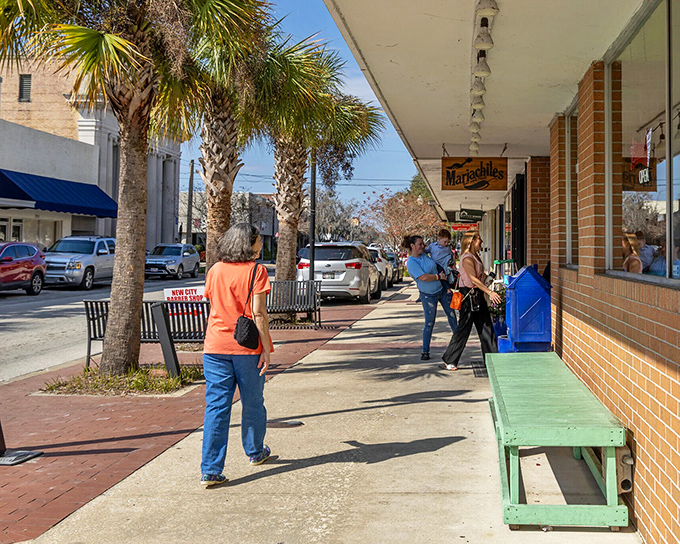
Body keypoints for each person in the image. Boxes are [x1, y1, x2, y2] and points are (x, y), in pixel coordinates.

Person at [200, 223, 273, 487]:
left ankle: (210, 469)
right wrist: (266, 347)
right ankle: (255, 452)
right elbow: (259, 314)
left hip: (215, 347)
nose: (261, 244)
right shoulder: (257, 271)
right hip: (246, 348)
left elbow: (214, 303)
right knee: (253, 402)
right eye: (258, 241)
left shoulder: (215, 270)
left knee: (217, 407)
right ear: (248, 243)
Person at [441, 229, 501, 371]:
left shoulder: (476, 257)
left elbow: (478, 278)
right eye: (478, 239)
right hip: (468, 296)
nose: (481, 241)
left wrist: (488, 278)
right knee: (464, 329)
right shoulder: (467, 258)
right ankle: (450, 359)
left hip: (477, 295)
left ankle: (492, 360)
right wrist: (490, 292)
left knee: (486, 328)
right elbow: (473, 279)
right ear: (472, 241)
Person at [404, 234, 458, 361]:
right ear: (412, 246)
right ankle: (425, 350)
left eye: (423, 244)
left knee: (452, 316)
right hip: (428, 295)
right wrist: (438, 277)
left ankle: (458, 343)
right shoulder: (412, 262)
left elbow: (436, 264)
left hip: (441, 290)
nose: (423, 246)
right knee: (429, 322)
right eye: (420, 244)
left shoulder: (424, 255)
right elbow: (423, 277)